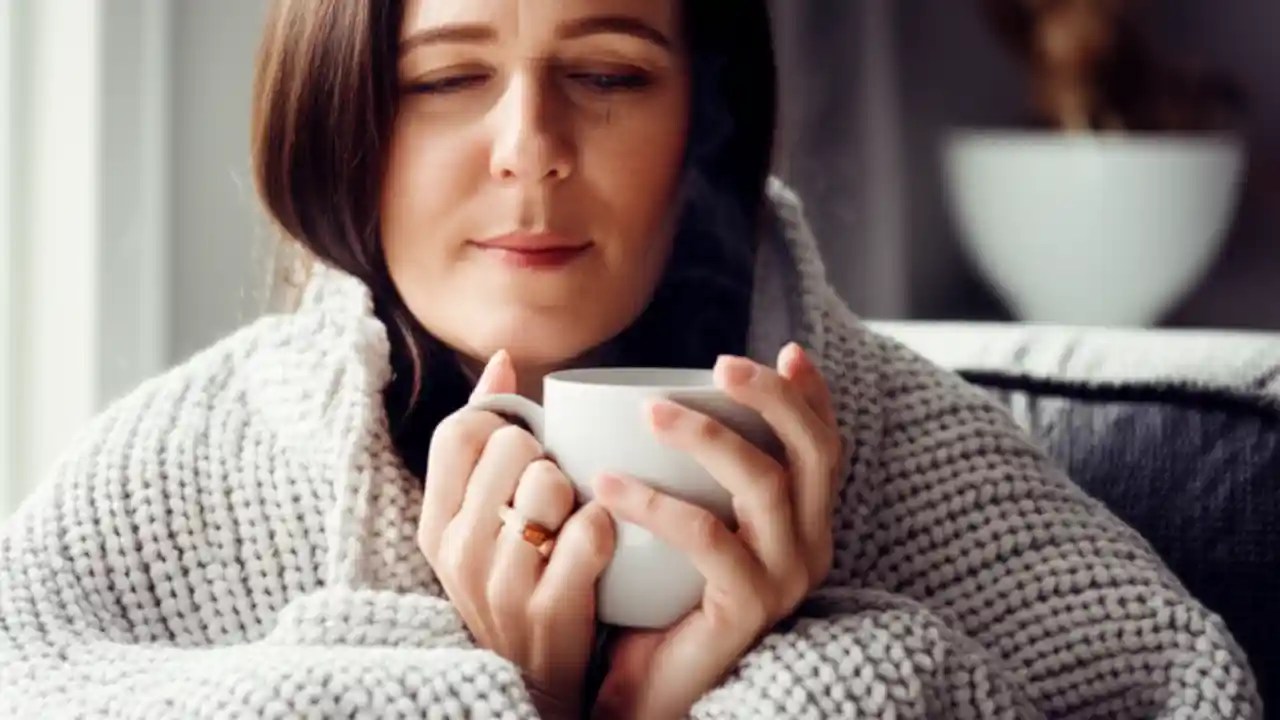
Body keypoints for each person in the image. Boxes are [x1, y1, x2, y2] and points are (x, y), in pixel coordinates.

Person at [0, 1, 1260, 718]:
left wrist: (778, 663)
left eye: (606, 73)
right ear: (343, 117)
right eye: (446, 78)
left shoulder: (912, 451)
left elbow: (1188, 688)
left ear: (702, 119)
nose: (530, 146)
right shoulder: (174, 473)